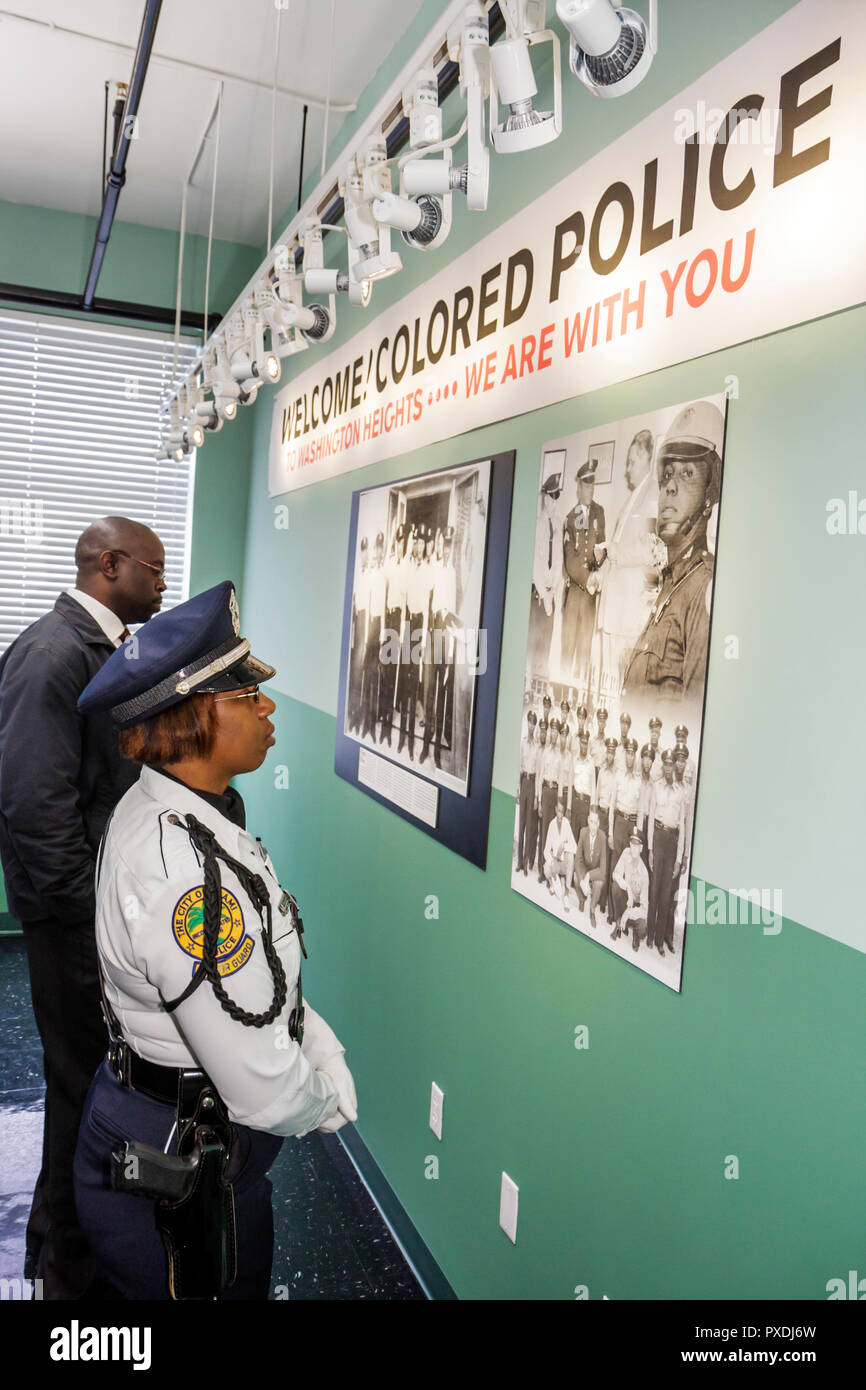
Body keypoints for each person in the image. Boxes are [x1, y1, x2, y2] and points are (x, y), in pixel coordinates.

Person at [72, 580, 357, 1301]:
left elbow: (259, 976)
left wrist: (314, 1038)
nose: (267, 708)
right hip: (178, 1173)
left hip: (176, 1136)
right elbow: (260, 1089)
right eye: (246, 696)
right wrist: (319, 1097)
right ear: (196, 716)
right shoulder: (183, 871)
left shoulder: (187, 811)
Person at [0, 516, 165, 1299]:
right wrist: (83, 917)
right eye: (154, 570)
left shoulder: (96, 648)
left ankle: (64, 1256)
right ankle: (66, 1277)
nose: (164, 584)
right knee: (79, 1090)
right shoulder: (52, 655)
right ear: (110, 565)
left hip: (91, 912)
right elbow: (35, 807)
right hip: (71, 920)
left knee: (88, 1086)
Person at [623, 401, 724, 705]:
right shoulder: (673, 579)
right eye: (667, 474)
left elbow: (691, 720)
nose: (670, 487)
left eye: (688, 474)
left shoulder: (704, 588)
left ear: (709, 497)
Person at [595, 429, 660, 697]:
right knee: (609, 680)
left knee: (623, 683)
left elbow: (649, 550)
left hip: (628, 610)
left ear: (646, 459)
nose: (628, 469)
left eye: (632, 461)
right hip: (614, 607)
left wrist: (616, 551)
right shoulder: (632, 499)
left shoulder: (653, 494)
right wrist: (600, 574)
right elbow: (618, 547)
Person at [561, 461, 605, 685]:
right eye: (586, 487)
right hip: (575, 593)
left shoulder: (599, 512)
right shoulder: (571, 517)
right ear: (579, 488)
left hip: (589, 598)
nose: (590, 491)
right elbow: (570, 558)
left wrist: (601, 556)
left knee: (585, 651)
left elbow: (602, 545)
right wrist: (588, 578)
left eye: (592, 486)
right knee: (568, 649)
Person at [647, 750, 686, 958]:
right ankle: (651, 935)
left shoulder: (681, 791)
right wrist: (651, 850)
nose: (670, 768)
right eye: (667, 765)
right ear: (663, 766)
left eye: (672, 765)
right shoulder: (656, 787)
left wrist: (679, 858)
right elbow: (652, 815)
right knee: (654, 890)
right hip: (659, 838)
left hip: (672, 842)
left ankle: (661, 939)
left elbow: (683, 826)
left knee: (665, 893)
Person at [529, 472, 561, 676]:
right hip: (537, 597)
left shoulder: (558, 524)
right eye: (550, 497)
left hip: (551, 595)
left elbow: (559, 562)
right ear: (544, 497)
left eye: (556, 497)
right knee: (531, 648)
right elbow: (535, 565)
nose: (553, 502)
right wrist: (544, 594)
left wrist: (553, 591)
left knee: (545, 651)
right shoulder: (537, 524)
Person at [610, 830, 651, 951]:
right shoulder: (626, 852)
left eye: (637, 846)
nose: (633, 848)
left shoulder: (644, 875)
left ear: (641, 848)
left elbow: (644, 909)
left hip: (636, 907)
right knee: (616, 887)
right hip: (627, 899)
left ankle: (635, 935)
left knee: (643, 928)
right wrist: (627, 888)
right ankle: (619, 924)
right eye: (632, 844)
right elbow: (615, 874)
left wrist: (628, 913)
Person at [574, 805, 607, 928]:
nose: (593, 826)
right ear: (588, 820)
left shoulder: (602, 837)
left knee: (599, 883)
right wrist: (583, 879)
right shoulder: (583, 832)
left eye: (595, 822)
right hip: (585, 868)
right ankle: (582, 899)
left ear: (599, 823)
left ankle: (592, 910)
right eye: (591, 821)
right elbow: (578, 860)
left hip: (595, 872)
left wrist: (589, 876)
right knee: (576, 878)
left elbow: (603, 871)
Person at [516, 709, 539, 875]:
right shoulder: (523, 743)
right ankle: (519, 862)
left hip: (532, 784)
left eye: (533, 722)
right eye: (529, 722)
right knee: (521, 823)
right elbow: (519, 766)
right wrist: (518, 788)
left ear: (535, 725)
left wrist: (536, 795)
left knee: (530, 824)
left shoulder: (537, 746)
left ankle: (526, 860)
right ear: (527, 723)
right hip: (523, 782)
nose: (530, 725)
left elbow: (538, 772)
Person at [543, 798, 577, 908]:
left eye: (562, 811)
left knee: (571, 856)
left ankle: (566, 893)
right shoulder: (551, 825)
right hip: (555, 862)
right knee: (546, 868)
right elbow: (546, 850)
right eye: (558, 810)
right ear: (555, 809)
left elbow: (574, 847)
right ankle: (553, 884)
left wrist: (564, 847)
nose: (560, 814)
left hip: (564, 862)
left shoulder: (567, 823)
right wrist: (552, 859)